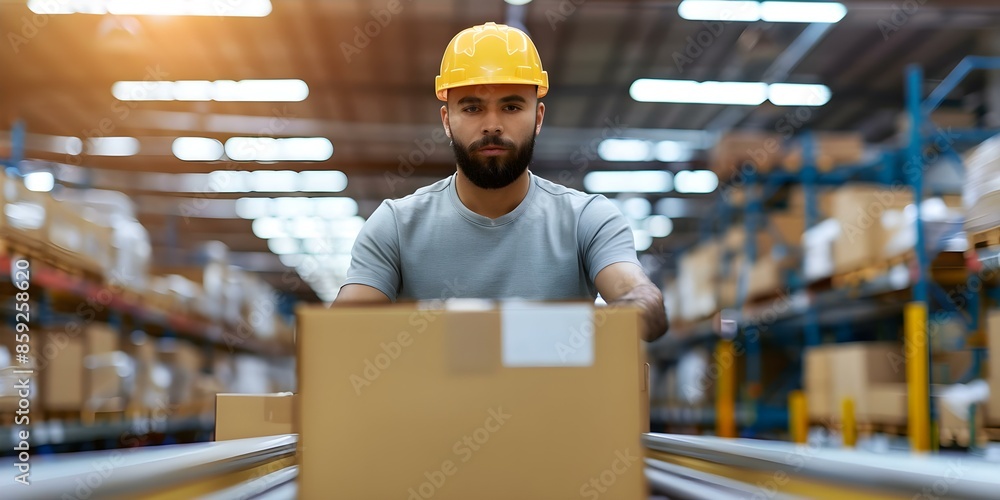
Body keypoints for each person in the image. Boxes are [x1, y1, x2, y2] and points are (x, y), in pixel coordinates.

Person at [336, 22, 667, 342]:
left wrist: (635, 309)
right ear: (447, 120)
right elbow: (338, 333)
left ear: (537, 118)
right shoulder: (395, 226)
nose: (492, 125)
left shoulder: (587, 219)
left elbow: (635, 292)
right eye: (472, 108)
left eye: (510, 106)